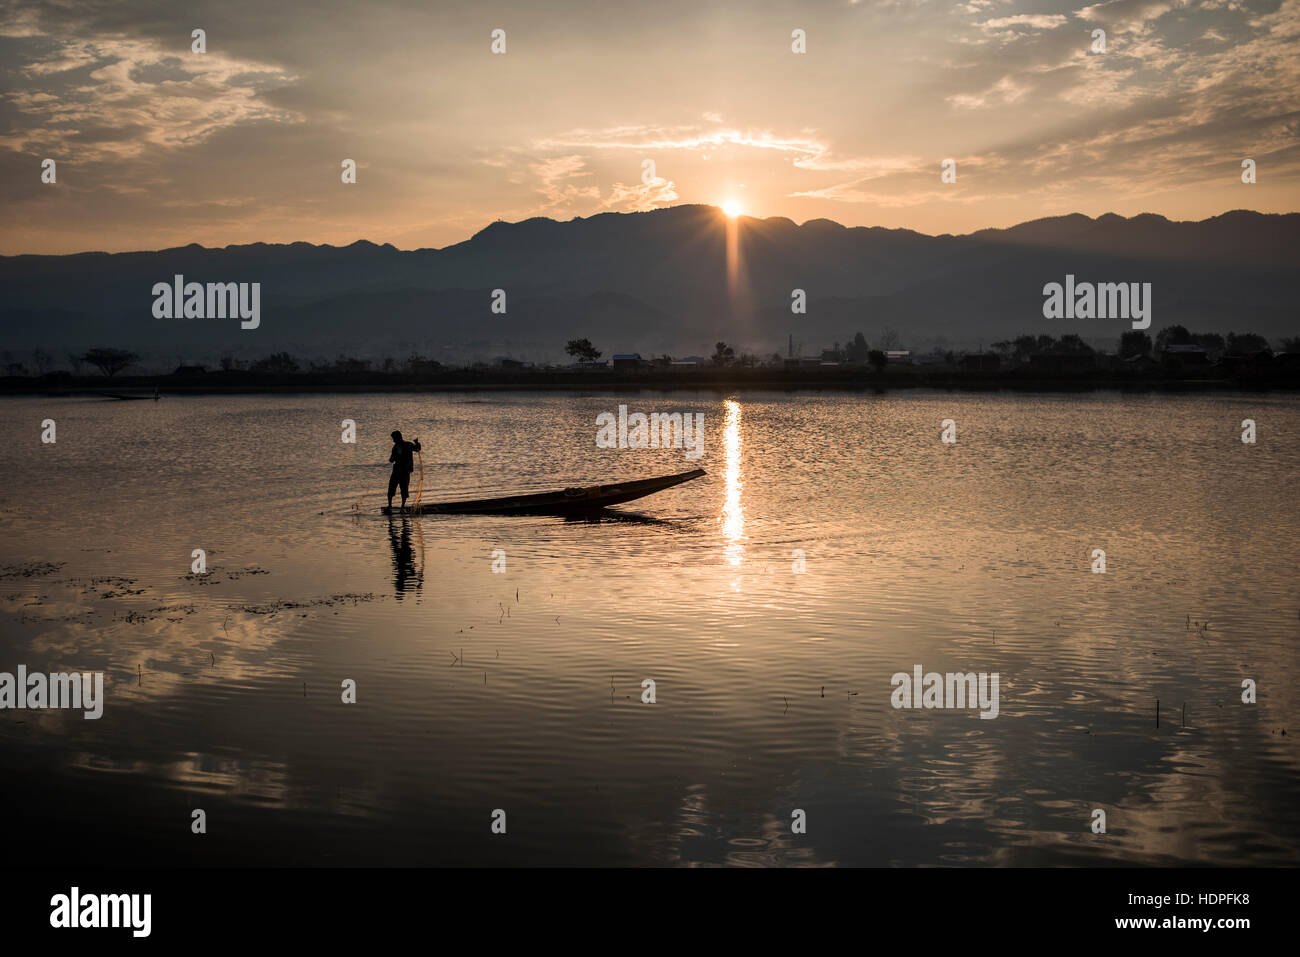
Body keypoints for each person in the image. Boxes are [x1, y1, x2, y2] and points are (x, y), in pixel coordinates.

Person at [387, 430, 422, 511]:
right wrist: (391, 459)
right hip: (396, 471)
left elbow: (417, 449)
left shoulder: (408, 445)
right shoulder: (395, 447)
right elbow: (392, 459)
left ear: (398, 437)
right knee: (391, 488)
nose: (393, 440)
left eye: (394, 438)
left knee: (404, 489)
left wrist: (417, 443)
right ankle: (389, 505)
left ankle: (402, 506)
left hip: (405, 471)